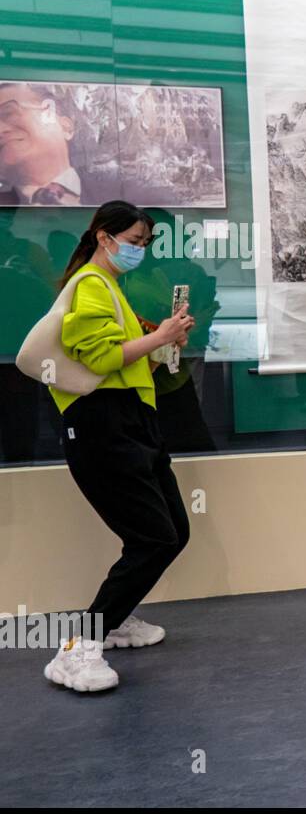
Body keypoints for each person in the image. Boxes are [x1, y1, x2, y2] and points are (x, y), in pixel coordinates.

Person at [41, 201, 196, 693]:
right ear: (103, 237)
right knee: (155, 537)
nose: (139, 251)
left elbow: (123, 367)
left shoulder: (111, 289)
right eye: (132, 241)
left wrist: (163, 343)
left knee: (171, 531)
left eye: (144, 243)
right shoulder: (89, 285)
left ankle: (113, 618)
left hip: (134, 423)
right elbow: (102, 356)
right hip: (103, 428)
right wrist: (161, 337)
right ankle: (78, 648)